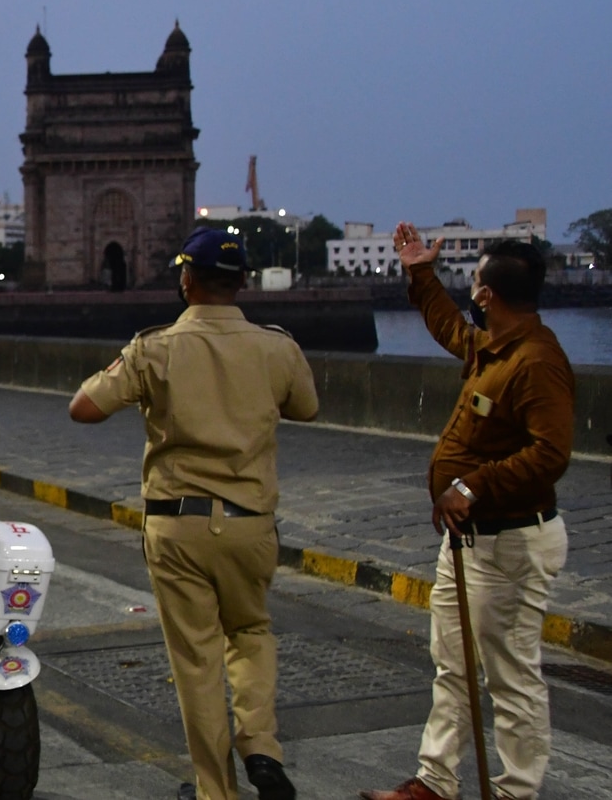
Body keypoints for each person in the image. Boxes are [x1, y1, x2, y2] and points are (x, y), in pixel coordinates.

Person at [69, 228, 317, 800]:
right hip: (251, 522)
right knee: (251, 632)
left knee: (197, 658)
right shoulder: (278, 346)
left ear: (185, 281)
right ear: (244, 283)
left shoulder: (155, 347)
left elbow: (84, 408)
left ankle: (217, 792)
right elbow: (306, 406)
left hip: (178, 522)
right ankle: (260, 747)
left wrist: (131, 372)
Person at [361, 230, 573, 800]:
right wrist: (421, 275)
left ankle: (516, 791)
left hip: (512, 542)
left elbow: (551, 453)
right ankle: (436, 780)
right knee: (451, 665)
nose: (472, 289)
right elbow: (451, 330)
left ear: (487, 294)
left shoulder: (537, 361)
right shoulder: (495, 346)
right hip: (471, 540)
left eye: (475, 280)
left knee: (511, 675)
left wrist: (473, 486)